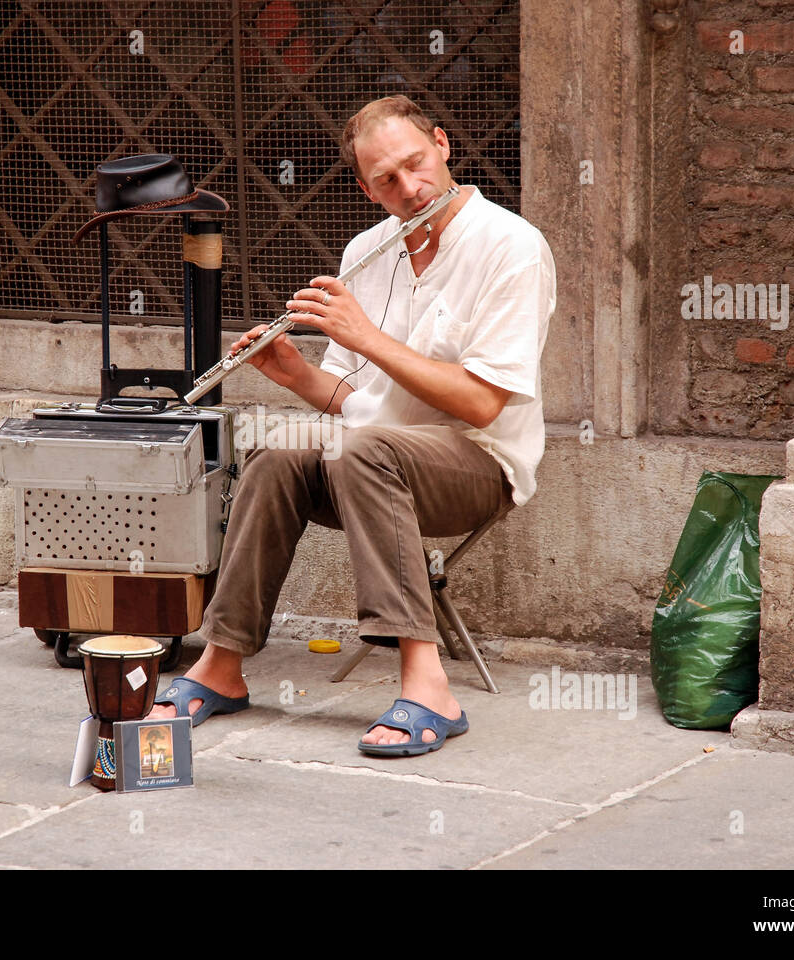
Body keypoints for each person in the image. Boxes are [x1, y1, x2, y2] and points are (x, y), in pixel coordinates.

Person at [147, 95, 556, 756]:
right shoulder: (368, 250)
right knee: (280, 450)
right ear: (367, 189)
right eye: (387, 180)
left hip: (477, 462)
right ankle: (221, 664)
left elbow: (482, 404)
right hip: (368, 458)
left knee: (365, 451)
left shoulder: (511, 246)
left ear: (443, 145)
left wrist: (365, 337)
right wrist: (296, 375)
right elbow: (349, 401)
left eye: (417, 165)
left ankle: (428, 686)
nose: (411, 188)